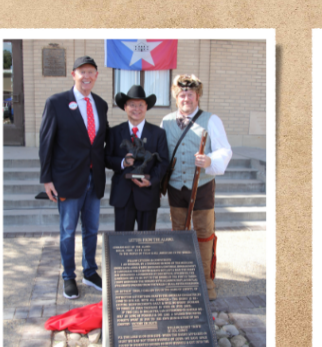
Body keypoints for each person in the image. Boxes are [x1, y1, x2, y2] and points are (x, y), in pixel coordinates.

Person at [38, 56, 109, 300]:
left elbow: (100, 143)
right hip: (67, 179)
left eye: (91, 72)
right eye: (82, 72)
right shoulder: (57, 102)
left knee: (91, 230)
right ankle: (69, 275)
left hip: (94, 178)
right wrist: (47, 178)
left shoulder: (100, 104)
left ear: (96, 75)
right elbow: (46, 141)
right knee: (68, 231)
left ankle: (90, 272)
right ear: (73, 74)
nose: (86, 76)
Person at [162, 74, 233, 300]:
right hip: (175, 187)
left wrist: (209, 160)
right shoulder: (166, 121)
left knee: (204, 234)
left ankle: (205, 283)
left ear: (197, 96)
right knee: (179, 233)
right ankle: (182, 280)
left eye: (190, 94)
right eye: (182, 94)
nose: (186, 98)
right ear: (176, 97)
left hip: (202, 187)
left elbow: (225, 150)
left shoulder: (212, 120)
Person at [105, 84, 169, 231]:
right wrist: (122, 162)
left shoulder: (158, 133)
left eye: (141, 105)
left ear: (146, 107)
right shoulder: (114, 132)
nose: (137, 109)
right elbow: (106, 158)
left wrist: (151, 181)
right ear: (125, 107)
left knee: (147, 242)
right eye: (132, 105)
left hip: (147, 195)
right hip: (123, 195)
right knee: (122, 241)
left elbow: (163, 162)